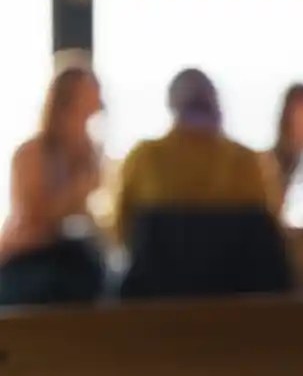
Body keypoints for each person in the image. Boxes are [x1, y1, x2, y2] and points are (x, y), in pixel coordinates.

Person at [114, 68, 273, 237]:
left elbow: (123, 228)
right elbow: (268, 230)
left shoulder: (144, 158)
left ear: (172, 104)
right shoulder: (245, 161)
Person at [0, 64, 106, 306]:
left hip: (69, 258)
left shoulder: (88, 152)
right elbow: (35, 216)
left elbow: (86, 216)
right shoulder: (31, 153)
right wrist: (78, 188)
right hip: (25, 259)